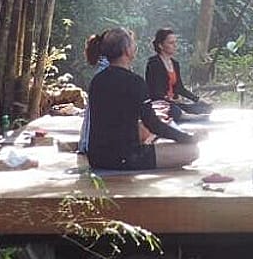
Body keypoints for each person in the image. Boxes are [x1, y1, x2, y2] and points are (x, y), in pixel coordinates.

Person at [85, 27, 200, 171]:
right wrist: (188, 138)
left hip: (96, 158)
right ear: (127, 50)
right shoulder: (135, 82)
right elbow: (153, 125)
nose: (135, 46)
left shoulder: (97, 80)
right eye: (133, 43)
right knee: (192, 151)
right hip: (127, 157)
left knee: (147, 133)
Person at [145, 27, 213, 122]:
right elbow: (155, 91)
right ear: (160, 45)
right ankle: (186, 116)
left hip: (175, 102)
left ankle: (186, 114)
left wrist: (198, 99)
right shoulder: (154, 63)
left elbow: (179, 88)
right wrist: (170, 100)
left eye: (175, 42)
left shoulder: (175, 63)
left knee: (204, 107)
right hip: (162, 103)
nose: (175, 46)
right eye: (171, 43)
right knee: (174, 110)